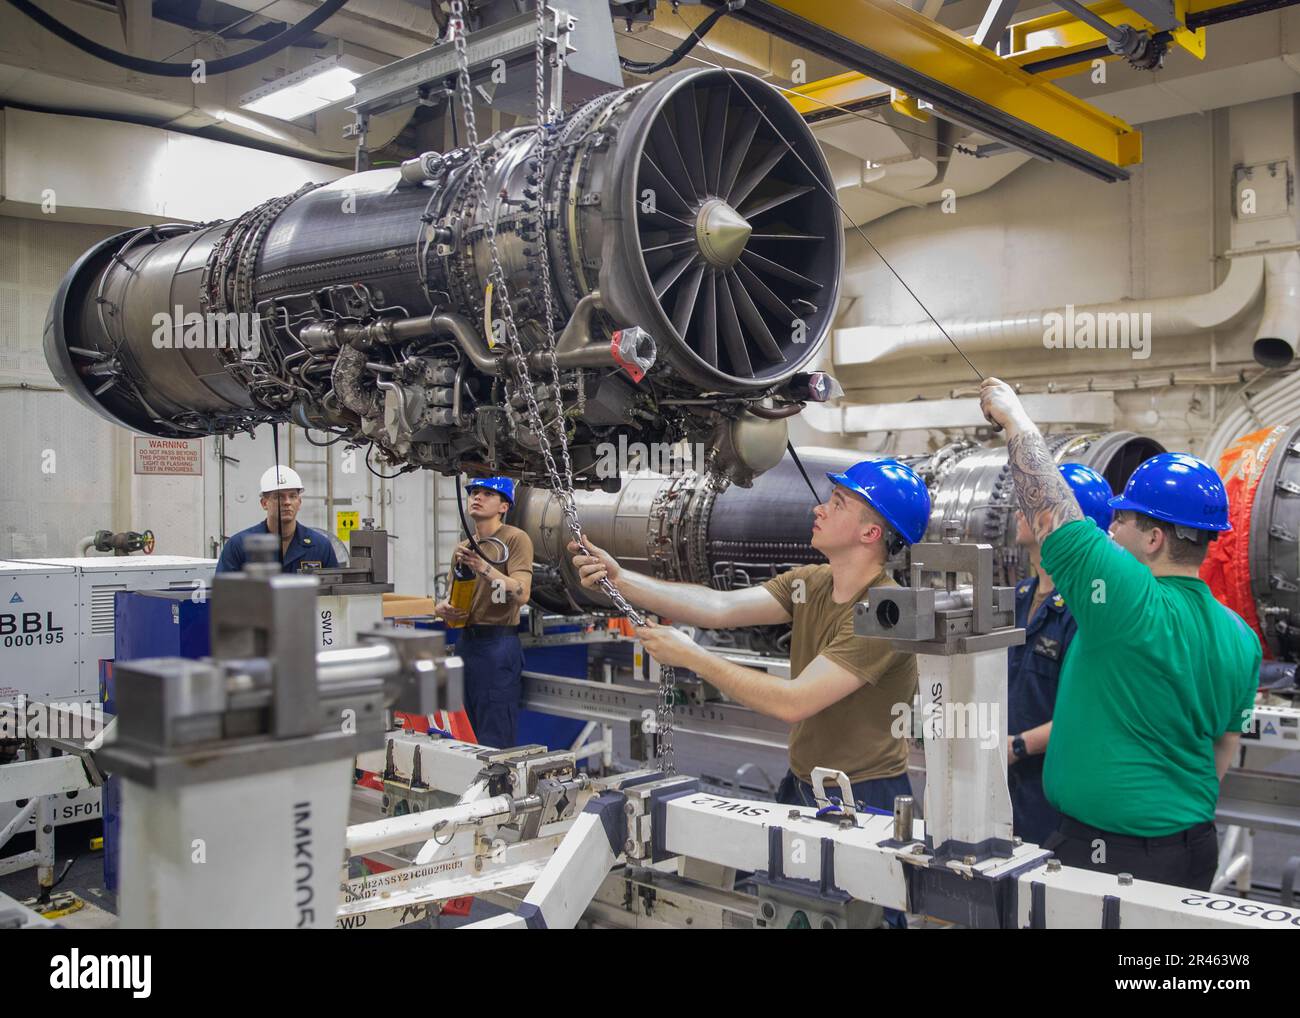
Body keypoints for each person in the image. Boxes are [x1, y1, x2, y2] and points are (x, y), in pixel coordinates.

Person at [980, 377, 1261, 890]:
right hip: (1190, 848)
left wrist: (1016, 422)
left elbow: (1051, 512)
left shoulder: (1128, 599)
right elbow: (1224, 747)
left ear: (1153, 538)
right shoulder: (1242, 636)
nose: (1111, 530)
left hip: (1113, 859)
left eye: (1123, 520)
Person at [570, 459, 931, 815]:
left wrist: (692, 656)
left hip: (864, 795)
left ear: (870, 534)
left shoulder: (886, 613)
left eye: (837, 504)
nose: (819, 509)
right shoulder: (812, 581)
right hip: (803, 783)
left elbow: (794, 702)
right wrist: (620, 580)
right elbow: (718, 607)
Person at [1005, 462, 1112, 847]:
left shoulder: (1089, 610)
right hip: (1007, 786)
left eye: (1030, 503)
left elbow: (1093, 711)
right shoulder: (1018, 597)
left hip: (1055, 793)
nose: (1019, 511)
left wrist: (1017, 746)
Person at [434, 477, 534, 750]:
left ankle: (495, 791)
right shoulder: (463, 547)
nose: (477, 497)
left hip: (498, 645)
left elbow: (522, 592)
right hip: (467, 643)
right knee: (465, 731)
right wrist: (441, 607)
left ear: (504, 505)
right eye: (474, 492)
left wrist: (484, 568)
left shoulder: (515, 539)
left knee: (494, 735)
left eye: (488, 493)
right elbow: (457, 599)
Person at [216, 465, 339, 574]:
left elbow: (335, 594)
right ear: (264, 503)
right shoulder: (239, 545)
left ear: (299, 502)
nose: (287, 502)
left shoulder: (320, 546)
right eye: (278, 497)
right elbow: (224, 595)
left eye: (292, 496)